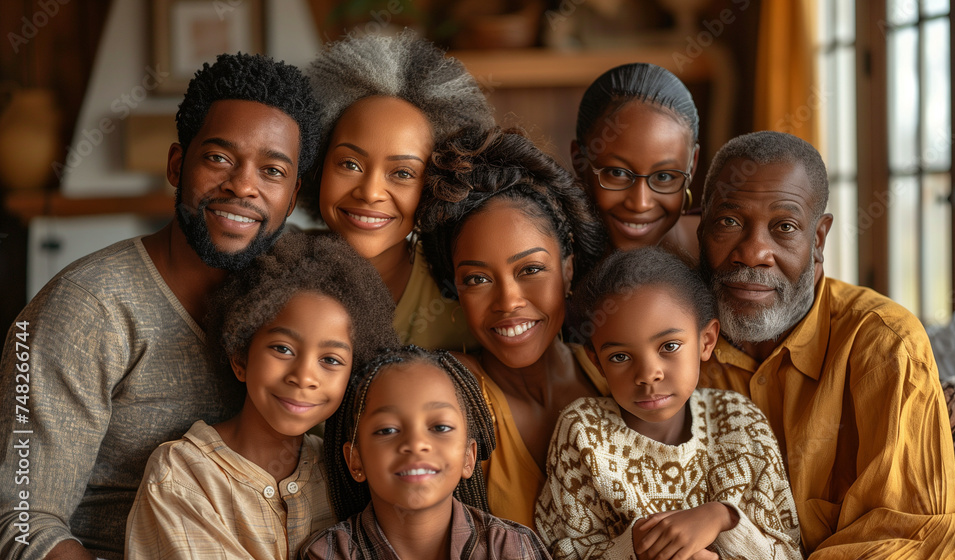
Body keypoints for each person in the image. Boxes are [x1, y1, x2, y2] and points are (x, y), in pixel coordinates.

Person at [0, 53, 321, 560]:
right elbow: (22, 518)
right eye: (219, 158)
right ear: (177, 165)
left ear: (293, 193)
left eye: (272, 170)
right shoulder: (87, 308)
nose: (243, 185)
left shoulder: (299, 291)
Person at [696, 130, 955, 558]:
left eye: (785, 227)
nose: (752, 252)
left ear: (818, 239)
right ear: (701, 229)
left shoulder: (885, 344)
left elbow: (910, 535)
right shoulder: (670, 342)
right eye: (729, 222)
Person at [124, 231, 398, 559]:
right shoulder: (183, 475)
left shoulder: (343, 471)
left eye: (331, 360)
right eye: (282, 349)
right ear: (241, 358)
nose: (304, 377)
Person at [535, 247, 802, 560]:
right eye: (619, 357)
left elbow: (788, 551)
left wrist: (724, 518)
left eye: (670, 346)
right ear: (596, 362)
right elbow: (558, 550)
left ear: (706, 341)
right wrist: (635, 547)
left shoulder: (740, 421)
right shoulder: (584, 432)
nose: (648, 374)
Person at [417, 127, 608, 528]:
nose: (507, 302)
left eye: (531, 270)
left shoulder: (615, 373)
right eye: (477, 279)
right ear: (456, 290)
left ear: (567, 270)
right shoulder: (451, 395)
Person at [301, 31, 494, 352]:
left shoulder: (460, 300)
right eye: (350, 164)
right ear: (318, 164)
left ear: (437, 183)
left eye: (403, 173)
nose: (370, 192)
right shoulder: (274, 276)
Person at [300, 346, 552, 560]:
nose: (416, 443)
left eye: (440, 427)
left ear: (468, 457)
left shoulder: (510, 548)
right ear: (355, 460)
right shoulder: (328, 554)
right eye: (388, 430)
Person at [573, 63, 701, 256]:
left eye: (664, 177)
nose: (640, 204)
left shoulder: (723, 255)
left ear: (691, 166)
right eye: (618, 173)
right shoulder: (549, 258)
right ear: (579, 161)